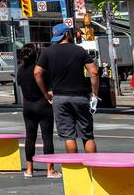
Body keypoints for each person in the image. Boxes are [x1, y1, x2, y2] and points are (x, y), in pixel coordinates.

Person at [34, 23, 100, 155]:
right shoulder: (79, 50)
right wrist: (94, 94)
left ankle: (74, 169)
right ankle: (93, 168)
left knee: (68, 136)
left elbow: (37, 73)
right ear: (67, 34)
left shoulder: (47, 52)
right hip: (80, 96)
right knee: (87, 135)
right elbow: (94, 72)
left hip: (59, 97)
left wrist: (46, 93)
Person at [17, 45, 56, 178]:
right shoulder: (40, 70)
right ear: (36, 55)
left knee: (30, 137)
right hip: (42, 104)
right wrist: (48, 96)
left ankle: (29, 169)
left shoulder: (21, 70)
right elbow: (49, 86)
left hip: (28, 106)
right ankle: (50, 170)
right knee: (47, 137)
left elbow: (22, 89)